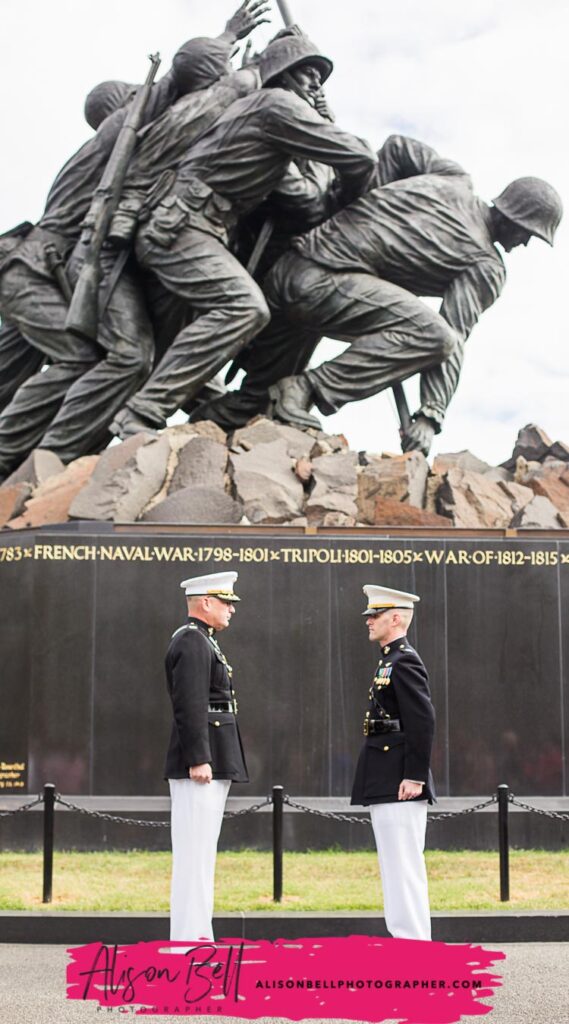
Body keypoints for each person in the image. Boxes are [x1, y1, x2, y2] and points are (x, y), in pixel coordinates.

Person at [0, 1, 268, 478]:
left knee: (99, 359)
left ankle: (43, 460)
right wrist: (245, 64)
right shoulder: (119, 137)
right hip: (39, 268)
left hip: (44, 265)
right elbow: (194, 96)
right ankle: (28, 462)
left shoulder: (126, 145)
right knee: (113, 356)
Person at [194, 135, 562, 450]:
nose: (526, 243)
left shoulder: (453, 178)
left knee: (254, 402)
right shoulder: (486, 265)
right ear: (515, 217)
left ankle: (184, 434)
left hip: (291, 270)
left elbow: (398, 147)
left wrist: (362, 210)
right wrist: (430, 416)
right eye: (529, 233)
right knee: (432, 334)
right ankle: (309, 388)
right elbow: (450, 338)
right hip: (321, 288)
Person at [109, 28, 376, 439]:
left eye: (320, 77)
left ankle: (172, 411)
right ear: (283, 74)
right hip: (183, 226)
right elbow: (357, 157)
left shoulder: (266, 108)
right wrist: (346, 194)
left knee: (182, 339)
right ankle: (141, 415)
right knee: (244, 308)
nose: (315, 83)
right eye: (307, 73)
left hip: (196, 228)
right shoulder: (277, 106)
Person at [165, 570, 248, 942]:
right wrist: (199, 757)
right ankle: (189, 945)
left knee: (201, 856)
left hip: (210, 758)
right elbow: (190, 705)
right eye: (226, 602)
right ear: (205, 603)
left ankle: (197, 938)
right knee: (194, 857)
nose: (231, 609)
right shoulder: (193, 642)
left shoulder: (203, 641)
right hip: (201, 764)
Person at [351, 584, 436, 941]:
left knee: (404, 867)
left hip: (401, 779)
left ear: (396, 618)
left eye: (376, 615)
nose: (368, 621)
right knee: (394, 867)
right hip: (386, 775)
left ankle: (416, 950)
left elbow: (423, 720)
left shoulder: (405, 660)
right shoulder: (389, 659)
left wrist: (414, 776)